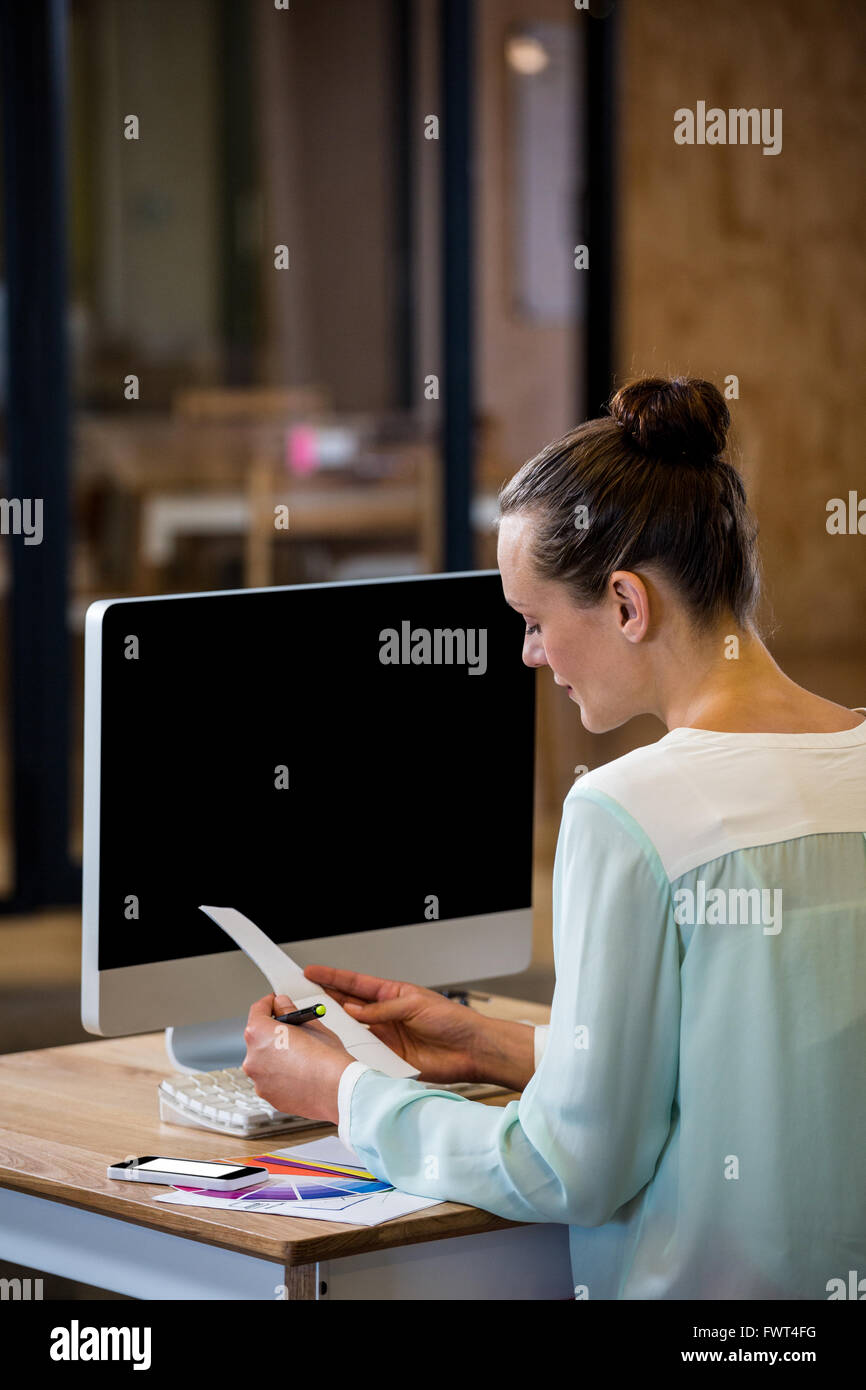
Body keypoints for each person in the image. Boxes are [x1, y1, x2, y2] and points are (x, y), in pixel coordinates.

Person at [242, 376, 866, 1299]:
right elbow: (770, 1060)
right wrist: (499, 1047)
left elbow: (571, 1167)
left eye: (534, 623)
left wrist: (343, 1093)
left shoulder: (627, 810)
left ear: (625, 603)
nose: (530, 656)